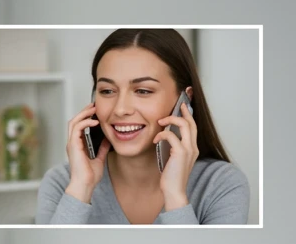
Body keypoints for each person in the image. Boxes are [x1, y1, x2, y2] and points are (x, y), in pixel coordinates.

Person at [36, 28, 249, 224]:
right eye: (107, 91)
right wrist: (81, 188)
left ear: (185, 99)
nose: (120, 109)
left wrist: (175, 196)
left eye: (143, 91)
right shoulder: (62, 182)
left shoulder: (221, 184)